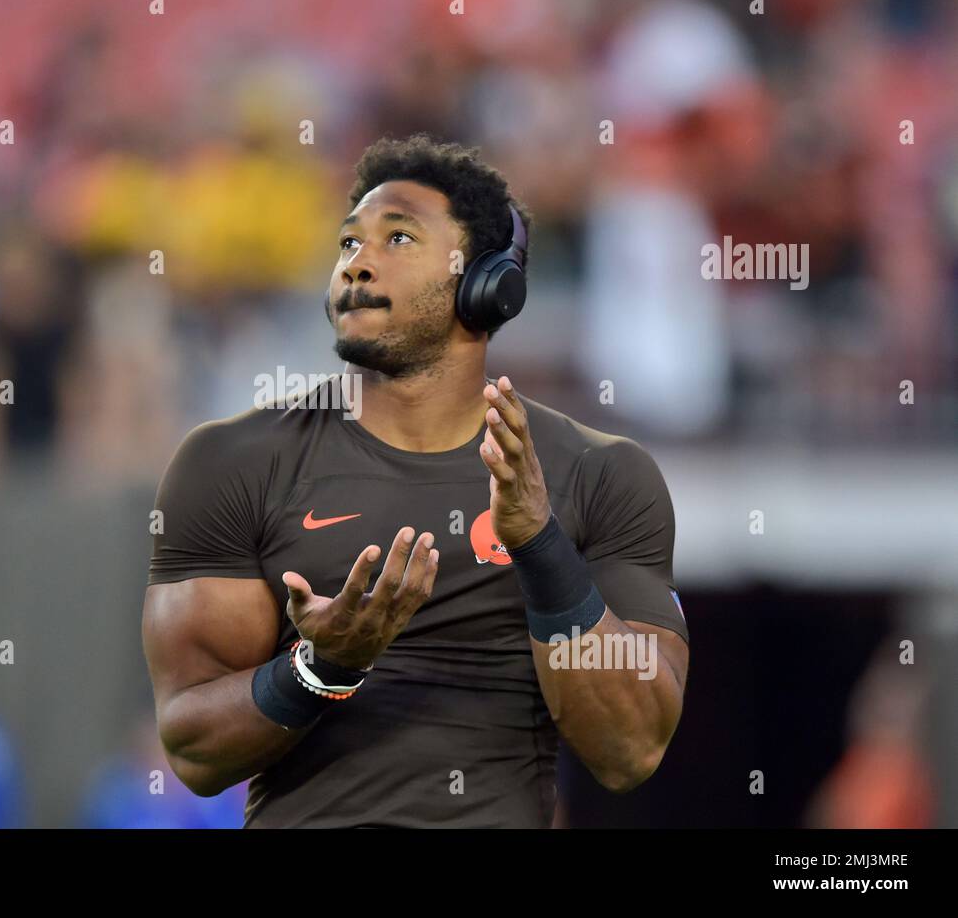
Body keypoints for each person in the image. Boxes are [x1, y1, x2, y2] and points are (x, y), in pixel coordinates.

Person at [143, 134, 689, 828]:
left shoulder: (602, 474)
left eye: (398, 239)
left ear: (489, 282)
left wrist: (540, 546)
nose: (358, 264)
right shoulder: (232, 463)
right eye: (347, 244)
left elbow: (630, 748)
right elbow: (193, 752)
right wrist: (325, 669)